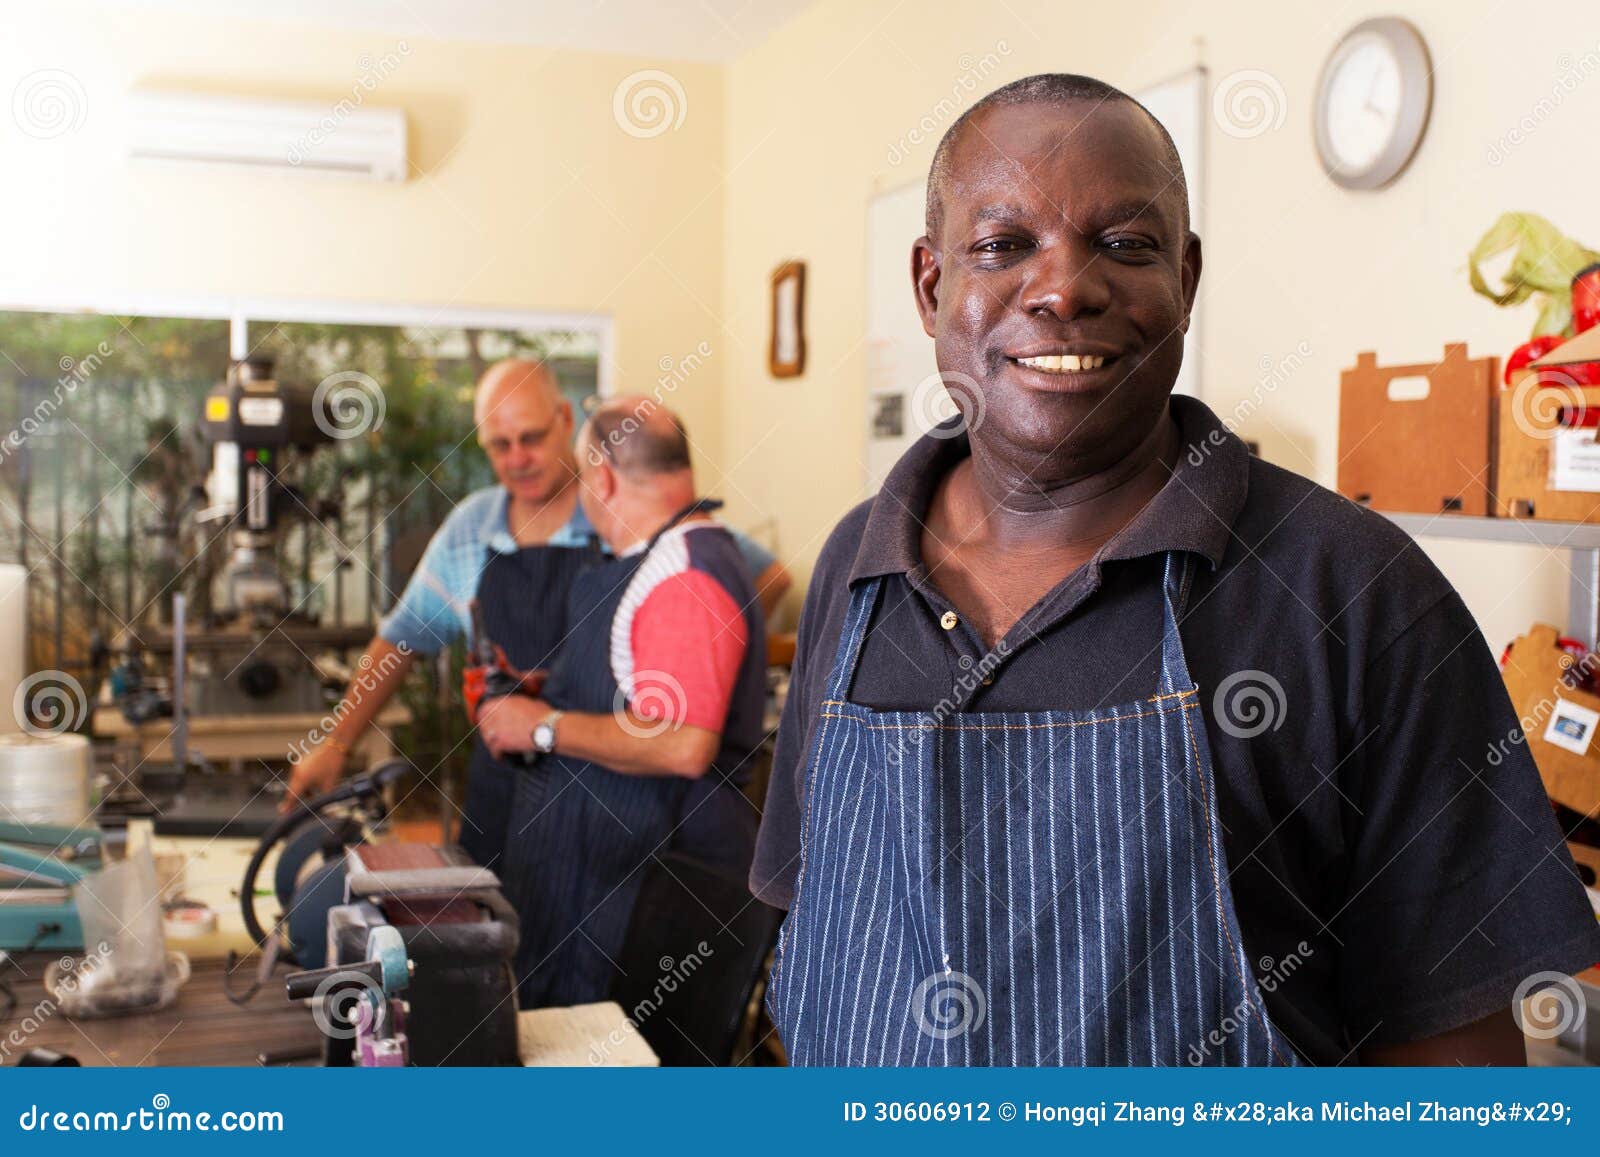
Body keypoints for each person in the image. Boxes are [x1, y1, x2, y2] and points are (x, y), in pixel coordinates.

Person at [752, 74, 1600, 1067]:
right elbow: (809, 937)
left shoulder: (1357, 594)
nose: (1063, 287)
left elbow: (1459, 1065)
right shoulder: (855, 566)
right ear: (931, 285)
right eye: (1003, 244)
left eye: (1124, 243)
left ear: (1185, 281)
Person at [283, 360, 781, 871]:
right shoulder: (473, 527)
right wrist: (337, 741)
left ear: (564, 420)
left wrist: (699, 661)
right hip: (507, 792)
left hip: (617, 802)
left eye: (531, 437)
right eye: (500, 445)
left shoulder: (643, 520)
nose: (518, 458)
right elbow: (402, 640)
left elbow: (757, 579)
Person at [479, 397, 765, 1007]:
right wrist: (548, 694)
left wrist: (544, 727)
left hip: (655, 886)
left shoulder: (685, 572)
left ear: (601, 476)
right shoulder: (653, 561)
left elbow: (683, 741)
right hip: (600, 877)